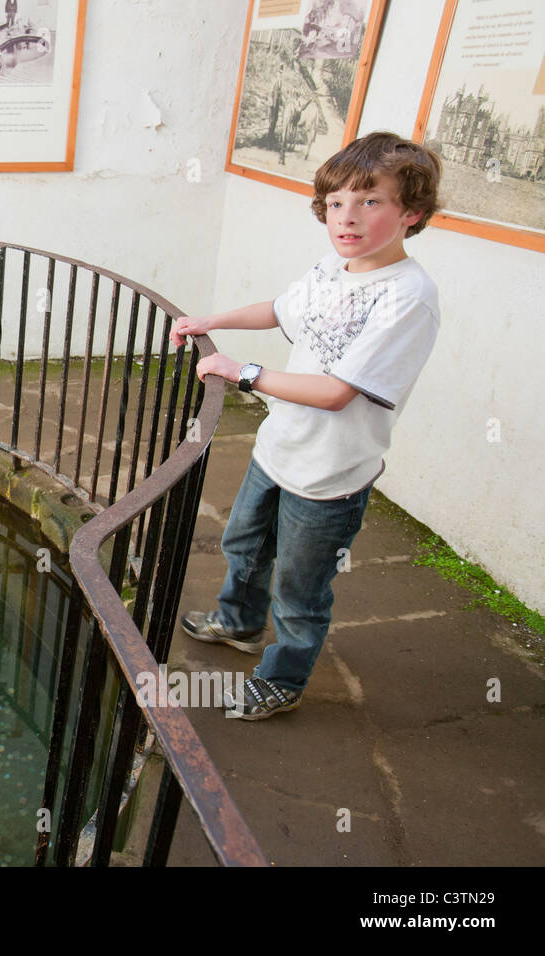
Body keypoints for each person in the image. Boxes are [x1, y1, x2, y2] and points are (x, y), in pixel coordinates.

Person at [170, 131, 443, 720]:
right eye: (338, 202)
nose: (347, 217)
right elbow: (281, 308)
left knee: (301, 592)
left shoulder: (406, 297)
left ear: (411, 213)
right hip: (279, 448)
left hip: (331, 475)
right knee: (244, 543)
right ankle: (240, 623)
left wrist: (242, 370)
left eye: (371, 202)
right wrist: (210, 320)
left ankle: (282, 680)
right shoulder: (334, 265)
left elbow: (336, 392)